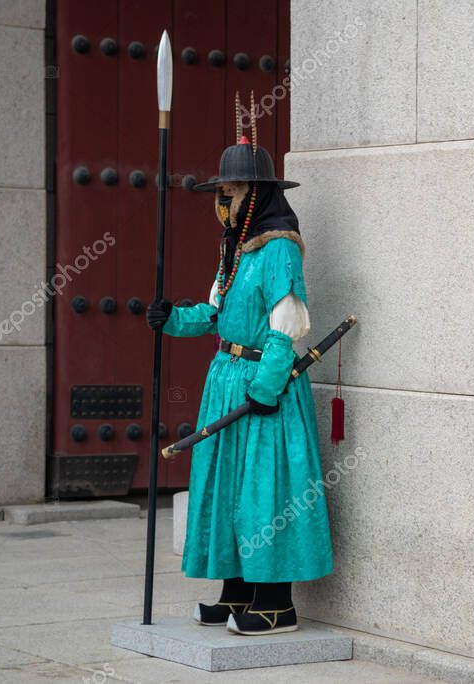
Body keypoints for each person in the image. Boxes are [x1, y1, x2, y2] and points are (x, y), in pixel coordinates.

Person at [146, 114, 331, 636]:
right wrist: (172, 318)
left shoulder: (279, 248)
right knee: (226, 485)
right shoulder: (233, 249)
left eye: (232, 191)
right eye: (221, 191)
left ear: (258, 195)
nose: (223, 200)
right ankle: (236, 594)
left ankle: (275, 605)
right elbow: (216, 314)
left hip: (263, 387)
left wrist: (267, 387)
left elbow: (284, 325)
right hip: (224, 381)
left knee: (264, 492)